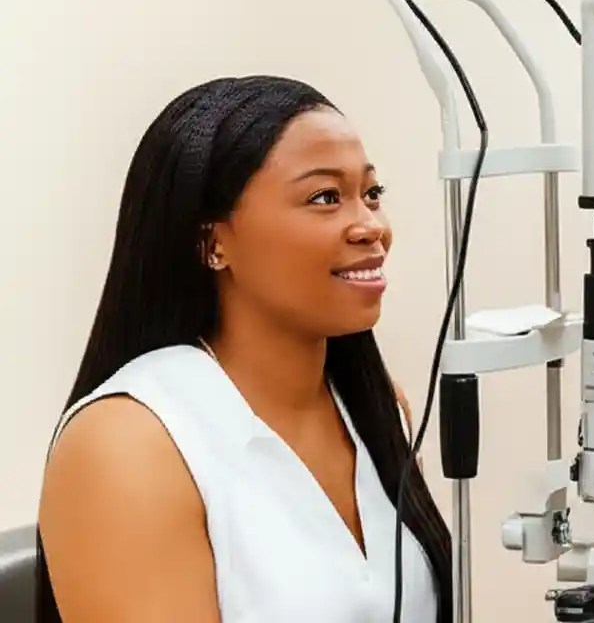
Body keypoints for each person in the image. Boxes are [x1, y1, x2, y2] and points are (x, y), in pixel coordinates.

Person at [34, 75, 452, 622]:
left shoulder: (377, 407)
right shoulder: (129, 445)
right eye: (325, 197)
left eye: (371, 194)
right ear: (214, 242)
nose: (371, 226)